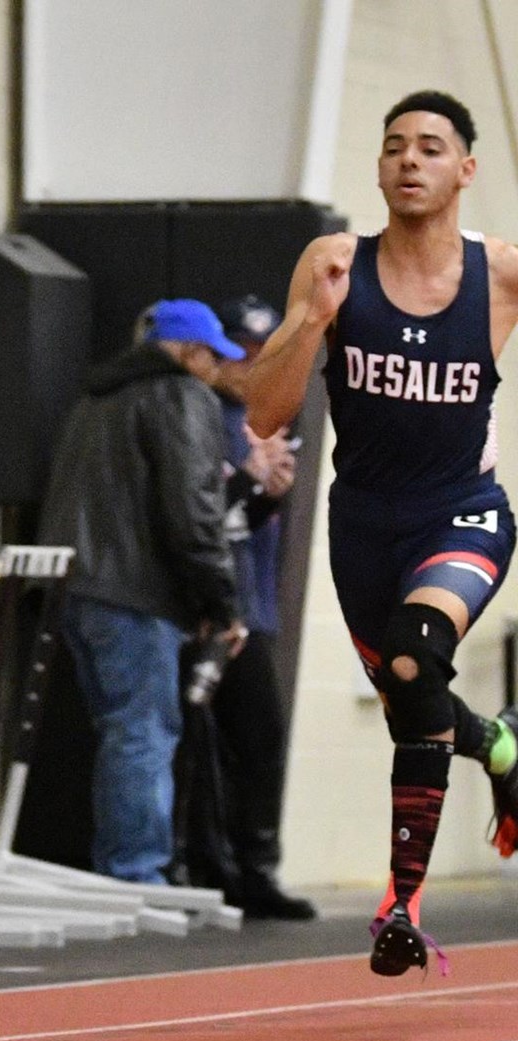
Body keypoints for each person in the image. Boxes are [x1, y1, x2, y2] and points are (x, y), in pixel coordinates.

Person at [222, 89, 518, 977]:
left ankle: (402, 902)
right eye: (394, 146)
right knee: (411, 696)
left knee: (415, 658)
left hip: (463, 512)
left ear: (465, 169)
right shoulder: (334, 262)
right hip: (364, 528)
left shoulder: (501, 272)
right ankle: (502, 745)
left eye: (430, 146)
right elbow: (264, 414)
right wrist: (314, 321)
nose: (409, 160)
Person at [38, 299, 245, 889]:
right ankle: (135, 874)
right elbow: (194, 511)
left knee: (120, 732)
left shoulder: (95, 399)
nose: (217, 371)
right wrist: (220, 603)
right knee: (144, 733)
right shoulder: (182, 397)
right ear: (188, 352)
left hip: (74, 590)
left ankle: (120, 869)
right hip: (135, 593)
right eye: (212, 357)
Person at [199, 295, 315, 920]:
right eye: (240, 353)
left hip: (252, 599)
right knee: (210, 744)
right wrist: (248, 478)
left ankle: (256, 867)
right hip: (213, 602)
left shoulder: (270, 414)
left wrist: (270, 491)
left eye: (260, 354)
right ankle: (218, 868)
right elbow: (200, 515)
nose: (249, 366)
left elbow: (243, 516)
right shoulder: (201, 414)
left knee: (260, 739)